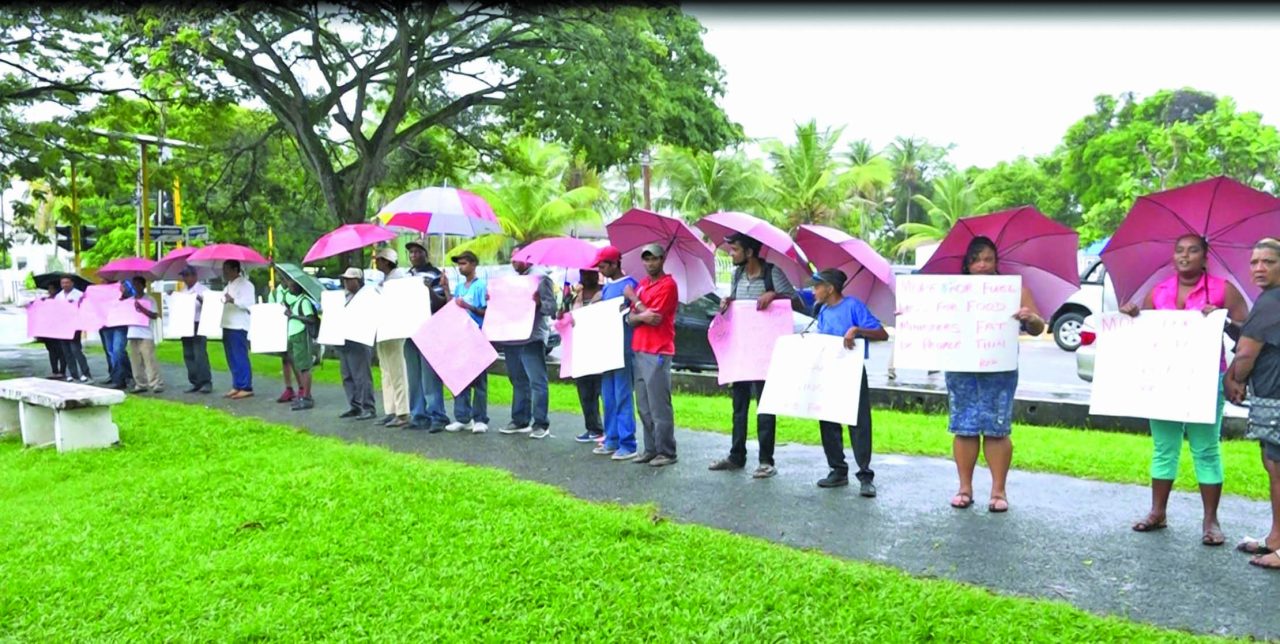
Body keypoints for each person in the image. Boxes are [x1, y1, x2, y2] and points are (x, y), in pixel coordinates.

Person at [1123, 233, 1248, 546]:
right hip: (1164, 381)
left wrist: (1222, 319)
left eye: (1193, 251)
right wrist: (1134, 316)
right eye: (1179, 250)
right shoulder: (1158, 291)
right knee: (1164, 447)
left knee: (1205, 449)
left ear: (1205, 257)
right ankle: (1157, 512)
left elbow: (1247, 331)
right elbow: (1144, 334)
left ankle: (1211, 520)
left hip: (1205, 381)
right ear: (1172, 256)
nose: (1185, 256)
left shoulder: (1223, 290)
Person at [946, 236, 1045, 513]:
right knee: (963, 426)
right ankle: (964, 488)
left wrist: (1031, 317)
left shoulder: (1014, 290)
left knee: (997, 428)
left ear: (996, 262)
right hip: (961, 366)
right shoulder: (951, 289)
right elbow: (930, 317)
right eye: (976, 259)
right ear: (967, 264)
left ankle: (998, 491)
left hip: (998, 367)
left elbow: (1038, 327)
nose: (982, 264)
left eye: (988, 259)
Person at [708, 232, 799, 479]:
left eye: (735, 250)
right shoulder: (737, 274)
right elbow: (740, 302)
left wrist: (774, 295)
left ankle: (766, 461)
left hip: (765, 354)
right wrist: (729, 301)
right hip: (742, 351)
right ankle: (736, 456)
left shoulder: (773, 273)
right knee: (738, 405)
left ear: (749, 252)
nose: (731, 253)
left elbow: (795, 301)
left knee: (765, 406)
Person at [808, 268, 889, 495]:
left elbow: (882, 333)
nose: (814, 291)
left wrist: (857, 329)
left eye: (817, 286)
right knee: (828, 420)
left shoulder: (853, 306)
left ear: (830, 288)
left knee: (859, 422)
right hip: (829, 371)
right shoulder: (822, 310)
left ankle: (865, 474)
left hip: (851, 370)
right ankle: (837, 469)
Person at [1226, 238, 1280, 569]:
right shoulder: (1269, 300)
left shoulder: (1272, 300)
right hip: (1270, 396)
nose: (1259, 268)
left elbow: (1247, 352)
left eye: (1269, 262)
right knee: (1272, 466)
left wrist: (1234, 378)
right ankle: (1275, 538)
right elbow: (1255, 338)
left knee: (1278, 470)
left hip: (1276, 397)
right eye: (1254, 262)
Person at [624, 243, 679, 467]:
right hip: (639, 348)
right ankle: (650, 448)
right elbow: (631, 318)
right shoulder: (644, 284)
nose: (649, 263)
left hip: (658, 350)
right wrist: (639, 312)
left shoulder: (669, 285)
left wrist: (634, 301)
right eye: (646, 259)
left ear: (662, 259)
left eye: (654, 259)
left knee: (659, 405)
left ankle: (667, 451)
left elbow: (653, 317)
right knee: (644, 405)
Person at [497, 246, 557, 439]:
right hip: (512, 336)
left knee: (537, 381)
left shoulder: (541, 278)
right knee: (517, 379)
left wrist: (540, 303)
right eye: (512, 258)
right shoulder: (509, 280)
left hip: (532, 336)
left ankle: (540, 423)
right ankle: (520, 419)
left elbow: (552, 308)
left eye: (518, 257)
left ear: (529, 258)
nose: (513, 261)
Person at [590, 246, 640, 461]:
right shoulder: (608, 288)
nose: (600, 270)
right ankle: (612, 438)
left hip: (623, 347)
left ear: (613, 264)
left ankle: (627, 442)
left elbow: (638, 312)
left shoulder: (630, 285)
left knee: (622, 395)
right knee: (608, 396)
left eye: (603, 266)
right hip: (607, 348)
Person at [403, 238, 452, 432]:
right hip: (409, 329)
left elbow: (442, 303)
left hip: (429, 329)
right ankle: (418, 414)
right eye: (411, 252)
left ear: (426, 254)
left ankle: (437, 415)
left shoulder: (435, 275)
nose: (414, 255)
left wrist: (429, 290)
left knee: (429, 376)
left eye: (417, 252)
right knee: (413, 375)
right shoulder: (406, 275)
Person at [446, 250, 490, 433]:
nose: (460, 267)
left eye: (464, 263)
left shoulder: (480, 286)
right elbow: (452, 307)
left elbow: (486, 312)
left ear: (473, 264)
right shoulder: (459, 287)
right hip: (461, 335)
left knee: (478, 378)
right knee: (460, 376)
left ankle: (480, 418)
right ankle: (463, 417)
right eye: (459, 264)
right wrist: (446, 289)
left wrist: (468, 306)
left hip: (477, 335)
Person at [561, 268, 605, 443]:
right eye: (583, 274)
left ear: (597, 274)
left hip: (599, 347)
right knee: (585, 392)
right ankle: (593, 428)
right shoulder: (574, 293)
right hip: (578, 348)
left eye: (591, 273)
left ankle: (608, 429)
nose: (587, 277)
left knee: (601, 390)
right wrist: (565, 303)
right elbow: (561, 316)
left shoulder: (604, 293)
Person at [373, 247, 411, 427]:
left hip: (395, 329)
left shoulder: (399, 278)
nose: (377, 263)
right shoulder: (385, 280)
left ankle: (402, 411)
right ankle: (391, 409)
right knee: (386, 371)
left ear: (387, 261)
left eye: (379, 260)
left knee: (397, 371)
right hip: (383, 328)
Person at [337, 267, 377, 420]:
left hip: (359, 339)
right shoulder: (344, 296)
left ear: (359, 281)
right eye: (345, 279)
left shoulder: (367, 296)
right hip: (343, 338)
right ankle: (355, 405)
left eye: (349, 279)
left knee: (361, 375)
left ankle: (368, 406)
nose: (346, 282)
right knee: (347, 374)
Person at [281, 275, 318, 411]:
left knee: (304, 367)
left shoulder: (304, 301)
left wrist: (294, 316)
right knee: (298, 365)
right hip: (294, 335)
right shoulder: (295, 301)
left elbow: (311, 319)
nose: (289, 286)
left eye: (291, 284)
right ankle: (303, 395)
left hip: (302, 335)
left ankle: (307, 396)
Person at [221, 259, 256, 399]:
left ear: (235, 269)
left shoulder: (246, 285)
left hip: (239, 325)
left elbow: (249, 305)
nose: (224, 273)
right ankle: (237, 384)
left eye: (227, 269)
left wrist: (233, 300)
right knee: (231, 357)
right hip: (227, 323)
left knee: (239, 355)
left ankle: (246, 385)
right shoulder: (228, 285)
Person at [267, 272, 302, 403]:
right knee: (285, 359)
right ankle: (289, 388)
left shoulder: (294, 291)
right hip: (280, 329)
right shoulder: (275, 293)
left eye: (285, 277)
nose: (282, 280)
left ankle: (302, 387)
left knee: (295, 359)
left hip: (293, 329)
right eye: (280, 277)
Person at [177, 267, 213, 394]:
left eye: (187, 276)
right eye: (184, 276)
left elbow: (210, 304)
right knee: (188, 354)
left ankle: (205, 381)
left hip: (198, 323)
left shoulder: (202, 290)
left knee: (199, 354)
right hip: (185, 323)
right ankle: (195, 381)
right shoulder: (183, 291)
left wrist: (199, 298)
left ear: (194, 276)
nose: (185, 279)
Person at [126, 276, 163, 394]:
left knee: (149, 360)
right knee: (135, 361)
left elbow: (154, 315)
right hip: (132, 333)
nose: (136, 287)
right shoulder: (129, 300)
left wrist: (141, 308)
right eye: (134, 285)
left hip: (146, 334)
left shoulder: (150, 299)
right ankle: (140, 383)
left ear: (143, 286)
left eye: (138, 284)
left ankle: (156, 383)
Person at [55, 276, 91, 383]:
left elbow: (85, 308)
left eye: (67, 282)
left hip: (75, 325)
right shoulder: (59, 296)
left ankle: (85, 373)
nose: (65, 285)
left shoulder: (79, 294)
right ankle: (73, 374)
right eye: (63, 283)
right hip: (63, 326)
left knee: (75, 350)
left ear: (72, 283)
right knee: (66, 351)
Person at [31, 283, 66, 379]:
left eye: (52, 289)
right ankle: (55, 371)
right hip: (48, 331)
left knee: (61, 351)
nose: (50, 291)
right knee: (51, 351)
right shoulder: (46, 300)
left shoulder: (61, 299)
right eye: (49, 289)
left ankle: (62, 371)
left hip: (59, 330)